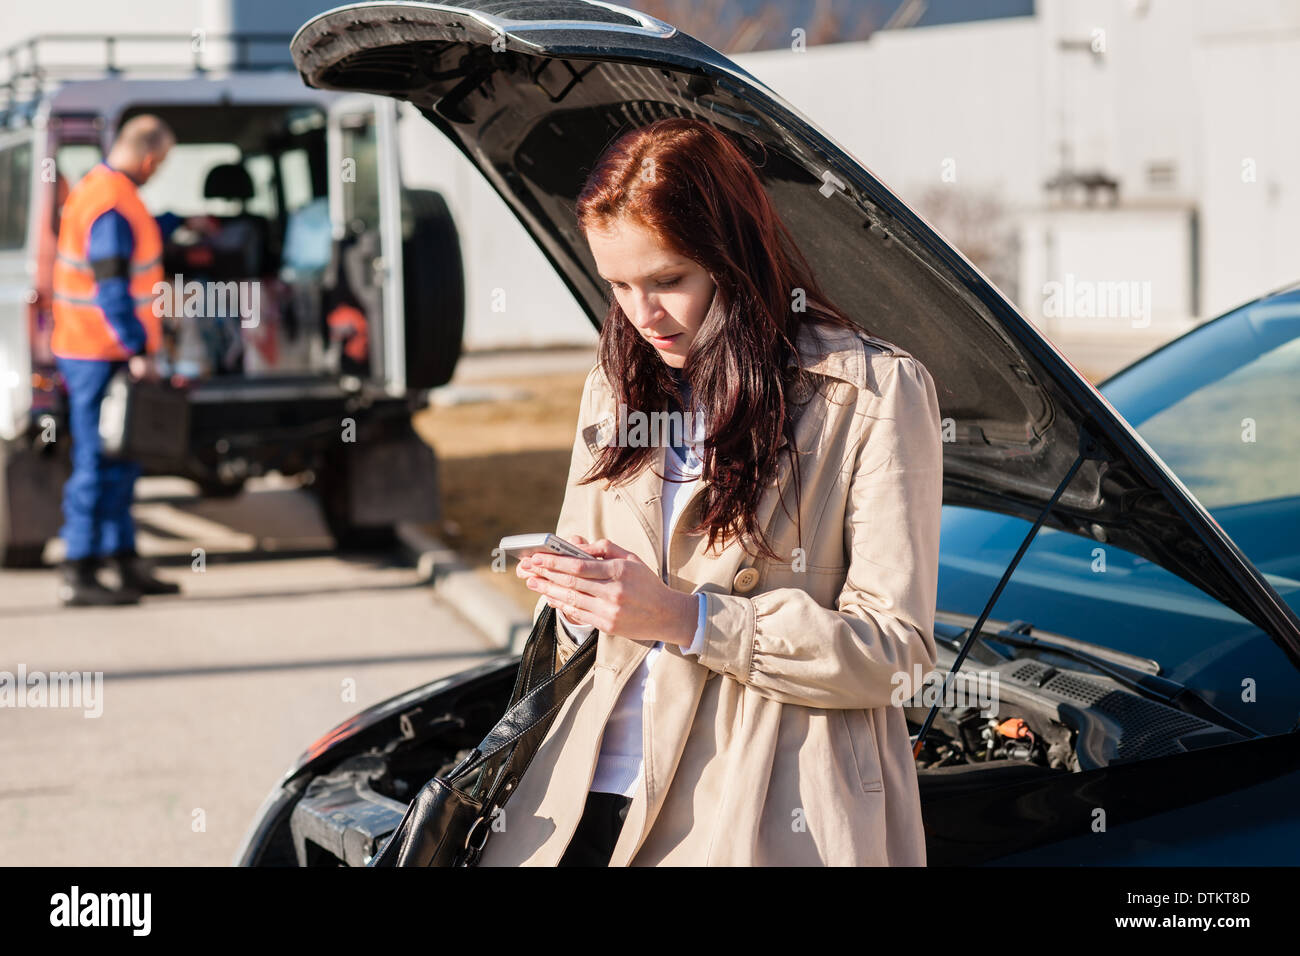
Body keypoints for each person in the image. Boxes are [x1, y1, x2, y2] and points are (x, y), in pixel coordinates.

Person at [480, 117, 944, 866]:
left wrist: (686, 618)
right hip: (578, 800)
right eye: (619, 285)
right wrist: (573, 597)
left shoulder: (872, 391)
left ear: (735, 256)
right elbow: (580, 621)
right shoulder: (615, 387)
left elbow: (901, 657)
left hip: (759, 806)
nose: (643, 313)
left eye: (669, 280)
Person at [51, 114, 183, 606]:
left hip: (97, 350)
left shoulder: (103, 190)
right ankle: (79, 572)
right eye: (162, 162)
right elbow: (110, 292)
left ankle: (124, 562)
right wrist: (138, 350)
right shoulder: (111, 205)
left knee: (123, 457)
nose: (159, 170)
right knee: (95, 461)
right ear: (149, 158)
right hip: (98, 353)